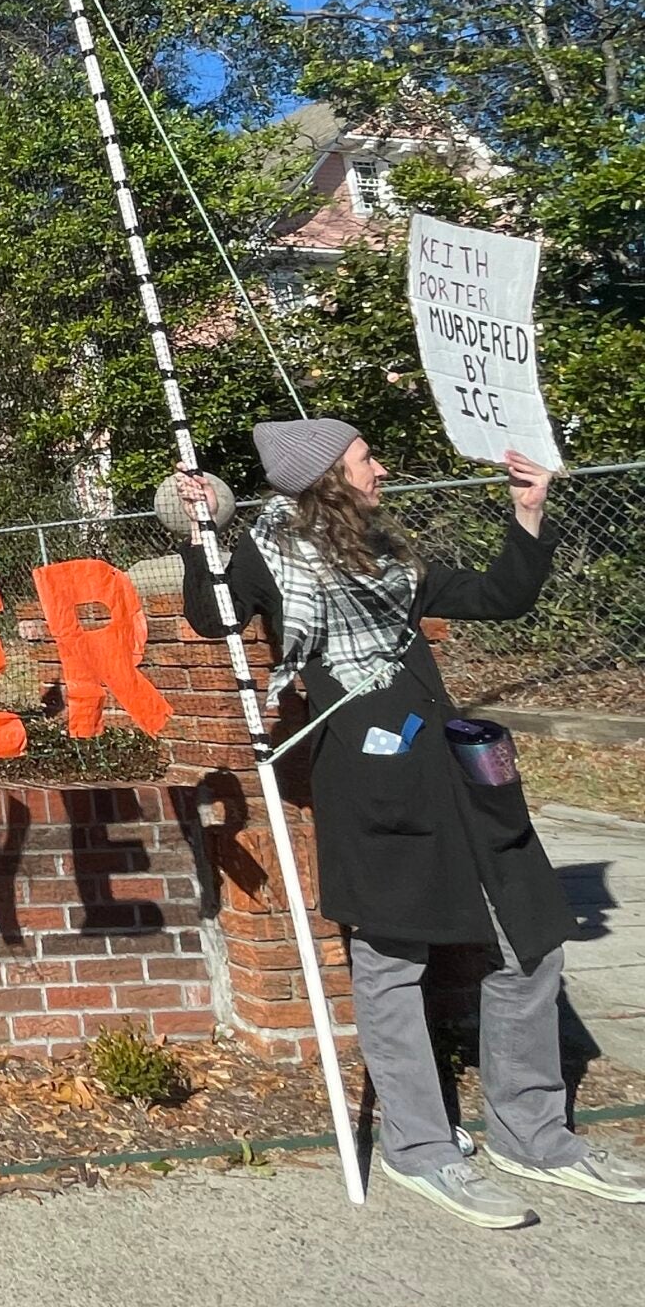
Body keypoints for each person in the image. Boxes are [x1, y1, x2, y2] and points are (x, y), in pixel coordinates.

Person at [178, 419, 645, 1228]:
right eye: (366, 459)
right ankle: (421, 1148)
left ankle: (531, 1134)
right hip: (373, 786)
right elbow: (214, 620)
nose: (381, 468)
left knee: (530, 942)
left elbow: (503, 596)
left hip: (464, 779)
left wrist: (528, 513)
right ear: (328, 476)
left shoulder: (392, 556)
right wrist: (200, 536)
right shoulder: (271, 556)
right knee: (394, 962)